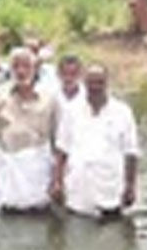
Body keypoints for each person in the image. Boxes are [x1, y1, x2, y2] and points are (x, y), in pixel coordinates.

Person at [51, 65, 139, 218]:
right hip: (78, 191)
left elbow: (131, 153)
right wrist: (57, 182)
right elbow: (61, 150)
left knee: (113, 236)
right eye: (91, 82)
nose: (95, 87)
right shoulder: (71, 111)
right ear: (84, 83)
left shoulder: (123, 112)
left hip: (111, 189)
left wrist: (130, 186)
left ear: (107, 83)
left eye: (100, 82)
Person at [0, 47, 61, 212]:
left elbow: (58, 142)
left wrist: (57, 179)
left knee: (39, 219)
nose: (21, 71)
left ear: (35, 69)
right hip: (9, 169)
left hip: (39, 169)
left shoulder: (50, 98)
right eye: (16, 66)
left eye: (26, 66)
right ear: (10, 70)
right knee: (7, 218)